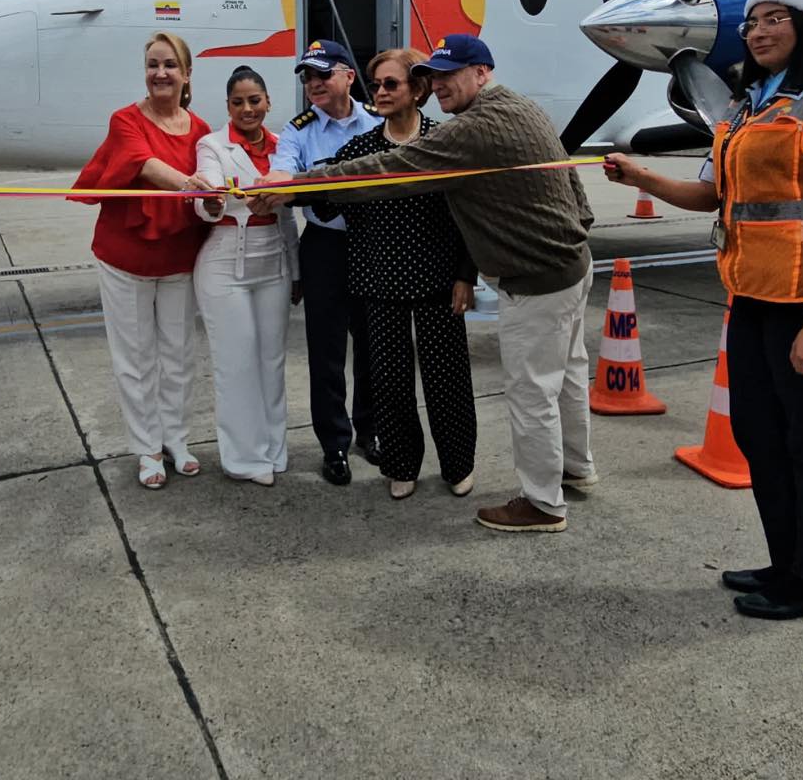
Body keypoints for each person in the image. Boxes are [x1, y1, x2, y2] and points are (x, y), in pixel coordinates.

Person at [605, 0, 803, 620]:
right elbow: (711, 195)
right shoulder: (748, 107)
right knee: (761, 436)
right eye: (751, 21)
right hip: (756, 297)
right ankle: (783, 561)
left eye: (774, 19)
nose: (756, 31)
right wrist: (638, 173)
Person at [252, 33, 595, 530]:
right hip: (568, 264)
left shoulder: (467, 129)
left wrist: (297, 186)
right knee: (566, 378)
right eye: (434, 75)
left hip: (535, 278)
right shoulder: (523, 106)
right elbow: (567, 173)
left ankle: (543, 503)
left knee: (531, 392)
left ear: (481, 72)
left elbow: (391, 169)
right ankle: (576, 470)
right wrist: (578, 232)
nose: (439, 84)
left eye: (448, 75)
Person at [307, 49, 477, 499]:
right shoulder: (359, 150)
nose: (380, 92)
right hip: (377, 282)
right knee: (390, 382)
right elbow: (323, 200)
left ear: (417, 90)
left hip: (439, 280)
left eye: (391, 84)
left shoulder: (444, 142)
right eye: (376, 85)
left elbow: (469, 216)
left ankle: (457, 464)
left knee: (447, 379)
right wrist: (293, 186)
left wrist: (466, 274)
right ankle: (401, 464)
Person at [70, 31, 213, 490]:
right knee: (135, 359)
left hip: (177, 258)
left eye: (170, 65)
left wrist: (212, 195)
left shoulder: (201, 131)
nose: (160, 73)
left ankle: (176, 438)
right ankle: (147, 447)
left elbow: (210, 188)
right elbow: (142, 162)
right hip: (125, 257)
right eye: (153, 64)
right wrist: (192, 184)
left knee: (179, 356)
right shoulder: (125, 120)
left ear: (187, 74)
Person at [267, 39, 379, 486]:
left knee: (374, 346)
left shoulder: (376, 121)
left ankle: (370, 431)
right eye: (307, 77)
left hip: (372, 245)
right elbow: (284, 168)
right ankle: (334, 443)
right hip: (325, 247)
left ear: (348, 76)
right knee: (326, 352)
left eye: (322, 74)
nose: (313, 84)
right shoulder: (300, 129)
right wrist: (271, 184)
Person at [192, 66, 300, 486]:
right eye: (238, 102)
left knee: (271, 361)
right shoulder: (212, 144)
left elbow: (288, 218)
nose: (247, 109)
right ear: (228, 107)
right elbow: (208, 194)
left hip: (272, 263)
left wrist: (295, 272)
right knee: (236, 364)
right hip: (224, 265)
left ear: (268, 102)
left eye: (255, 100)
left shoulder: (283, 146)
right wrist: (213, 202)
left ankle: (274, 449)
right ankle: (243, 457)